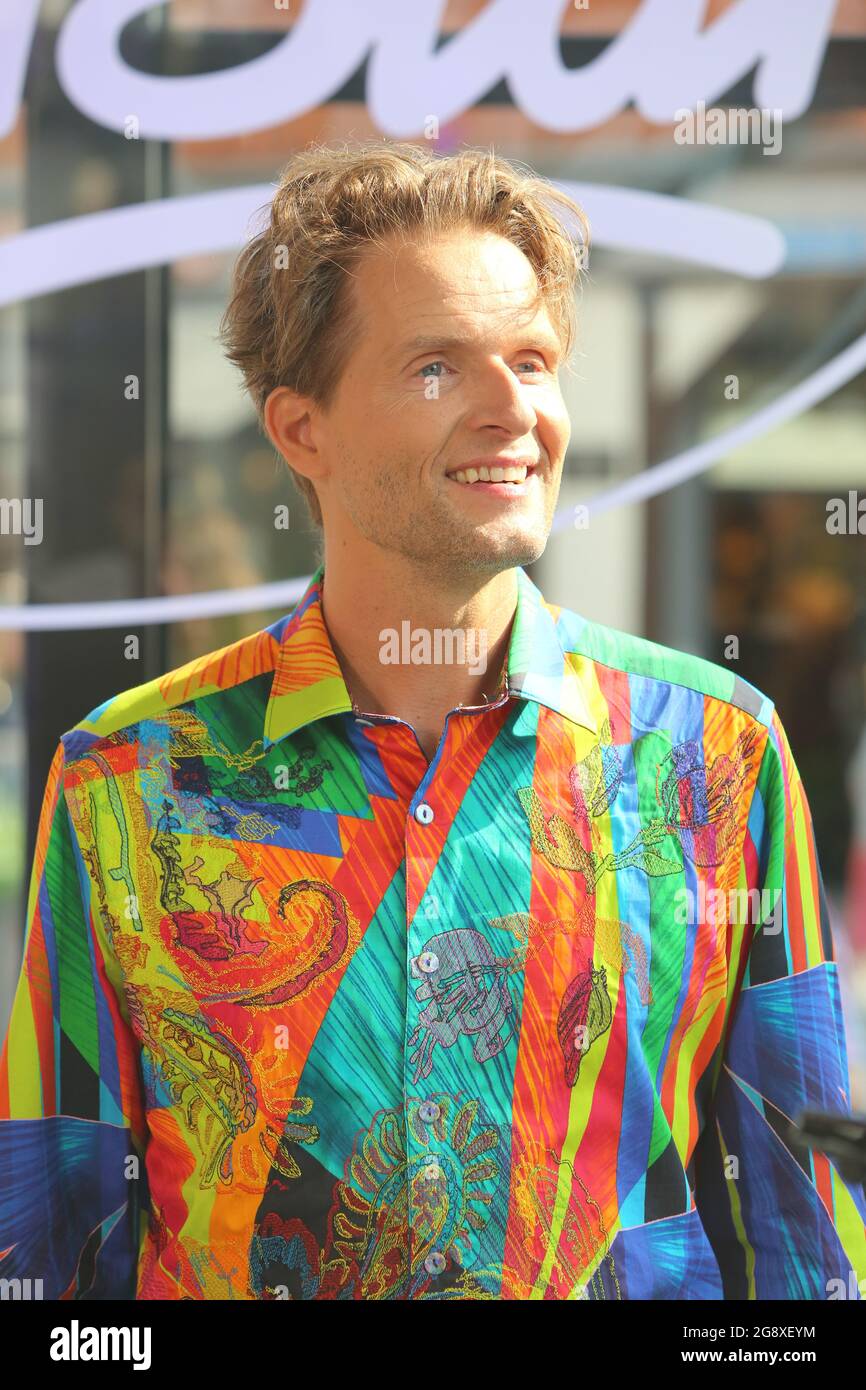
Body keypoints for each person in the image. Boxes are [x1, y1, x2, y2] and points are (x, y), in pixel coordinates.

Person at [1, 141, 864, 1301]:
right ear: (300, 429)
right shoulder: (128, 774)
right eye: (434, 368)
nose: (512, 409)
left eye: (532, 359)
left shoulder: (712, 751)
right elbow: (53, 1237)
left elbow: (800, 1231)